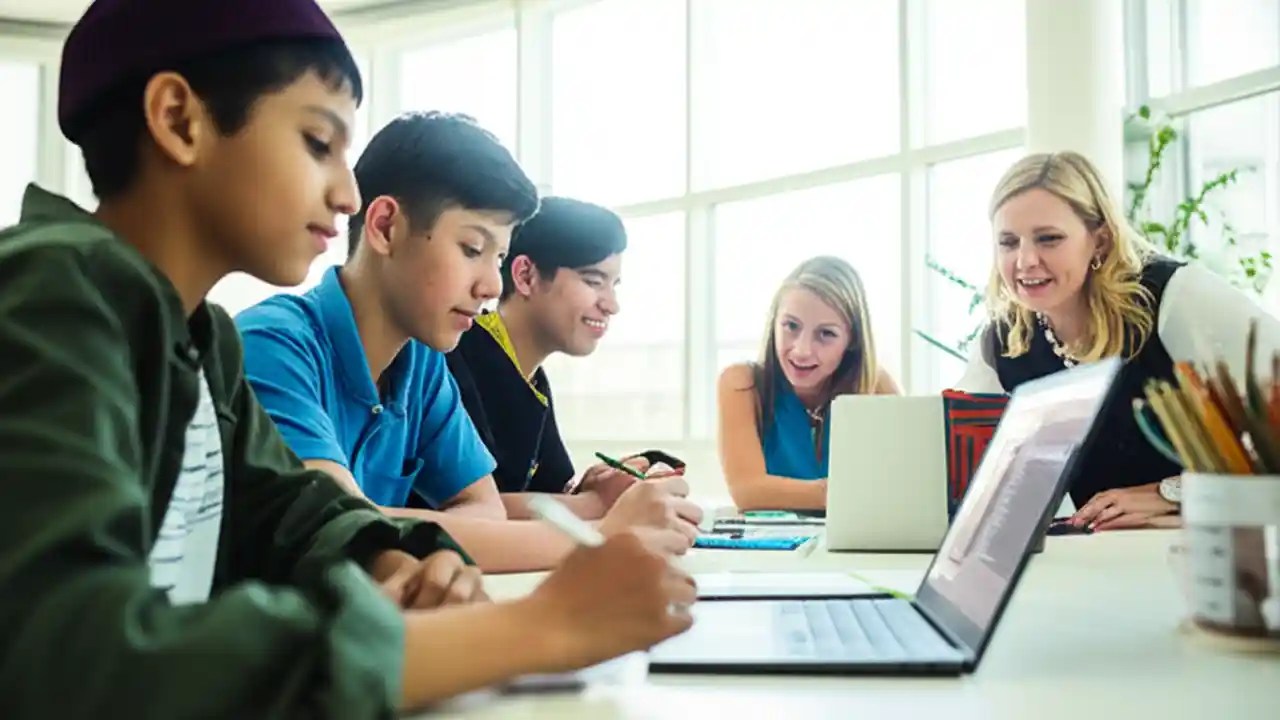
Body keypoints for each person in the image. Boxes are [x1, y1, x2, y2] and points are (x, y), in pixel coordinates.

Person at [0, 1, 693, 715]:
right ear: (180, 119)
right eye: (316, 140)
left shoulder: (201, 339)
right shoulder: (53, 294)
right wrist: (541, 624)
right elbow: (69, 657)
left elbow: (297, 513)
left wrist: (392, 561)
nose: (349, 192)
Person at [237, 113, 701, 574]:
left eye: (497, 256)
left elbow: (485, 508)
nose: (491, 287)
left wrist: (397, 532)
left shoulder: (421, 364)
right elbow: (339, 524)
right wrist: (597, 538)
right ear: (384, 227)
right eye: (472, 249)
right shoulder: (274, 345)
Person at [954, 150, 1280, 531]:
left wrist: (1175, 492)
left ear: (1101, 241)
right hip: (1103, 561)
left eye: (1048, 239)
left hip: (1223, 552)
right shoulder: (1006, 341)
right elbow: (953, 469)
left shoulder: (1173, 297)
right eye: (1008, 242)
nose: (1025, 260)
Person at [447, 195, 680, 503]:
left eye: (614, 285)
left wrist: (590, 488)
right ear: (525, 276)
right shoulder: (454, 359)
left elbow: (547, 490)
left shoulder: (530, 376)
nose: (611, 305)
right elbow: (472, 505)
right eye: (594, 281)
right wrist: (590, 504)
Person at [717, 256, 901, 511]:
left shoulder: (876, 385)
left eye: (826, 334)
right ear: (774, 324)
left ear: (853, 341)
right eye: (791, 326)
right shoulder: (741, 384)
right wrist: (853, 493)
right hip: (772, 550)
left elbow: (902, 487)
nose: (802, 350)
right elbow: (748, 492)